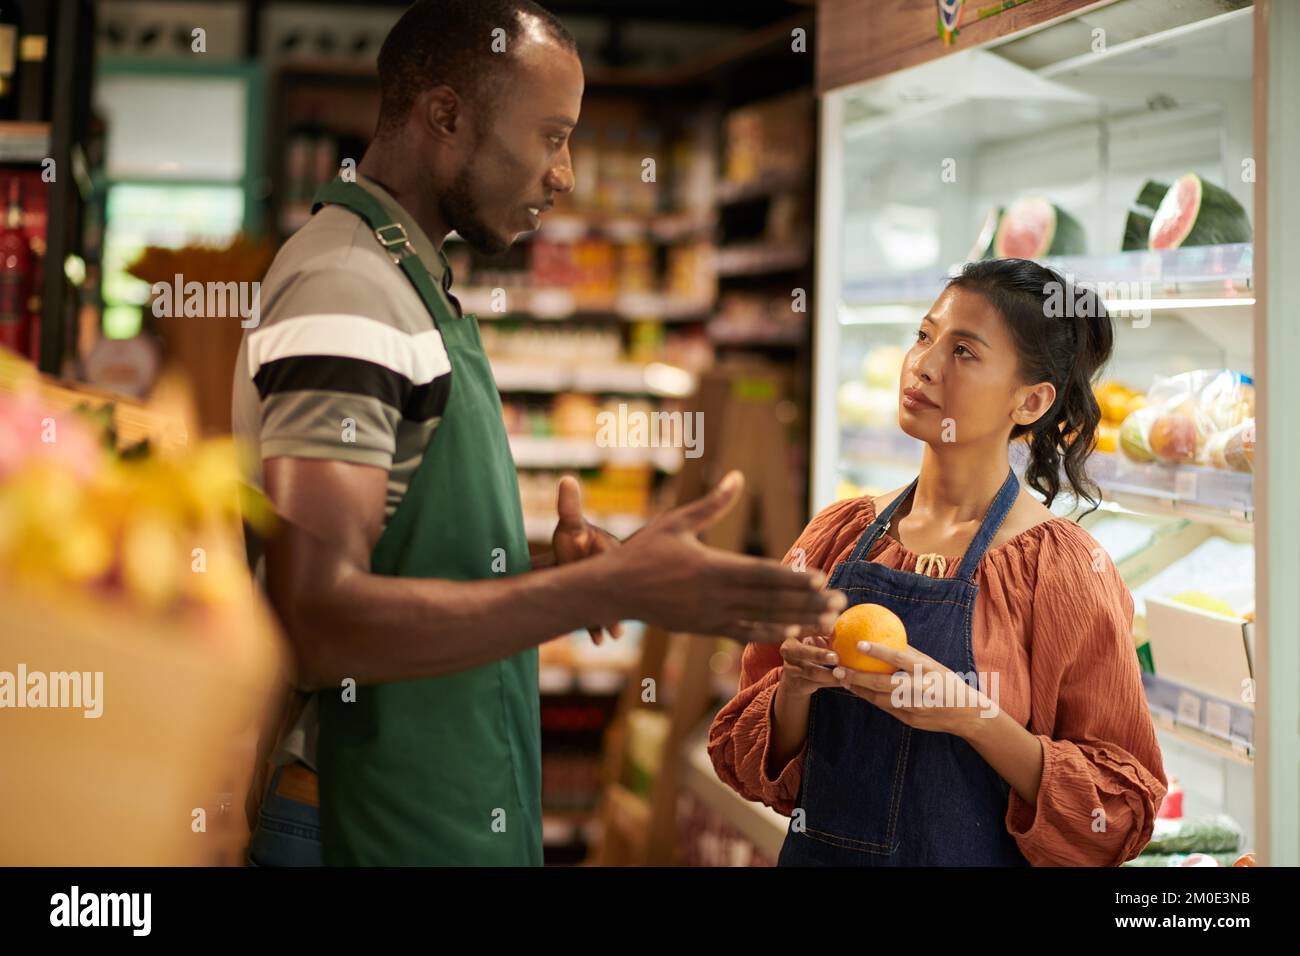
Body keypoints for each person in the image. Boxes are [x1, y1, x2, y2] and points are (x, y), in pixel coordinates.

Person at [232, 0, 842, 867]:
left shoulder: (406, 278)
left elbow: (390, 556)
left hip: (417, 806)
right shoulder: (348, 292)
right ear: (446, 115)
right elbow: (320, 617)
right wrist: (593, 595)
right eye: (551, 135)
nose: (563, 174)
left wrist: (543, 567)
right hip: (360, 821)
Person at [709, 258, 1167, 866]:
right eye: (925, 336)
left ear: (1029, 401)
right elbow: (747, 759)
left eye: (964, 352)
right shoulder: (836, 536)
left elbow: (1118, 811)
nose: (922, 365)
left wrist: (973, 715)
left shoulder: (1063, 571)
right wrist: (794, 689)